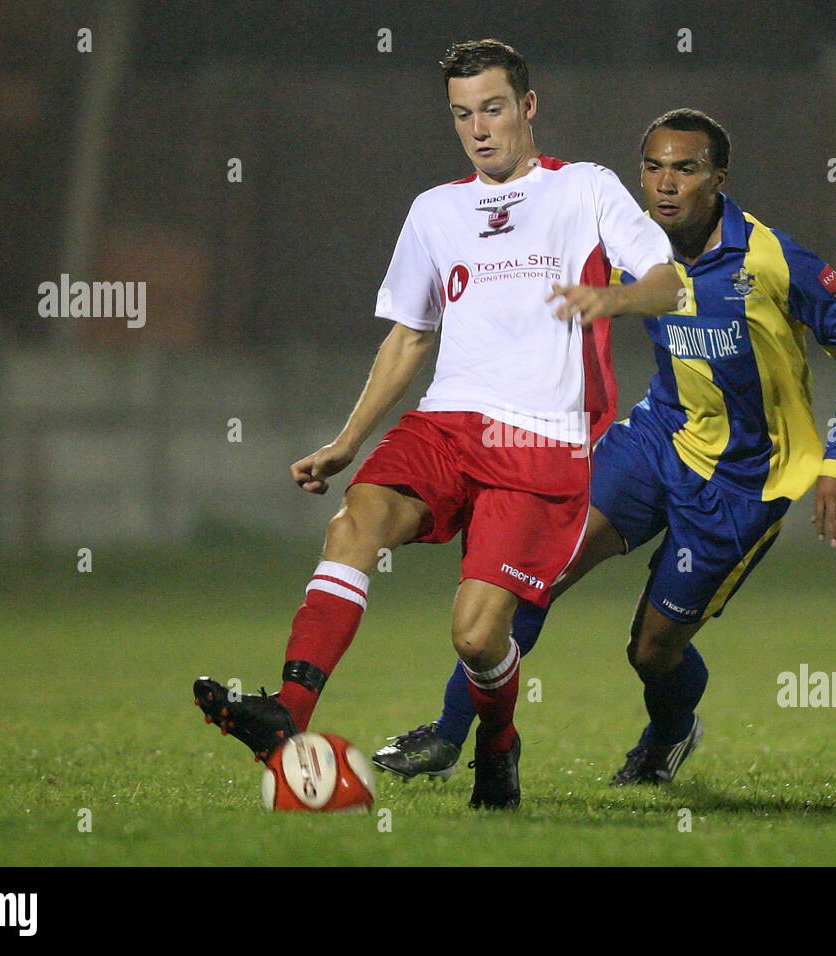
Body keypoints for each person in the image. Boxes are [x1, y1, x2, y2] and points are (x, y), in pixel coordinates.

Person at [192, 39, 681, 810]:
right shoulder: (434, 211)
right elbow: (410, 338)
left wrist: (614, 299)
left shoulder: (584, 189)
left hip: (541, 443)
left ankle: (498, 741)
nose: (479, 128)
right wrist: (348, 442)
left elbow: (665, 280)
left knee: (477, 637)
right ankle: (287, 716)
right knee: (357, 520)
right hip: (446, 426)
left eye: (492, 109)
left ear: (527, 107)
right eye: (462, 115)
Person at [371, 108, 836, 786]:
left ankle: (671, 731)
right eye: (653, 168)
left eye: (686, 168)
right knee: (535, 572)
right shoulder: (629, 242)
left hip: (743, 485)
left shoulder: (770, 260)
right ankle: (445, 736)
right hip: (653, 444)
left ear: (718, 179)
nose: (666, 185)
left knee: (651, 651)